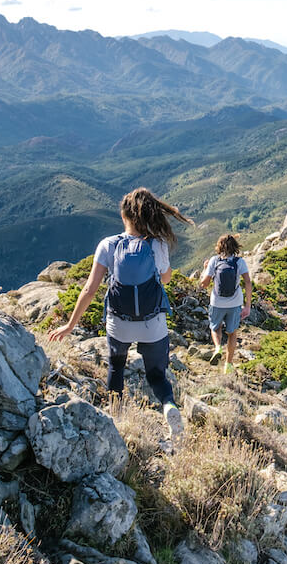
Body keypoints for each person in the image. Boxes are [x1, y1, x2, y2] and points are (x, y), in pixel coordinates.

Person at [48, 187, 192, 444]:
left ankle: (115, 418)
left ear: (125, 216)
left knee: (116, 367)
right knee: (157, 375)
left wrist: (70, 325)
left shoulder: (108, 244)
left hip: (119, 323)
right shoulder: (157, 243)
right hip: (152, 324)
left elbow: (90, 289)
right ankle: (169, 406)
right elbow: (166, 279)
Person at [198, 234, 252, 374]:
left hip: (217, 302)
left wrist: (205, 268)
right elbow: (247, 282)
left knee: (215, 328)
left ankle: (217, 348)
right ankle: (228, 365)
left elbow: (203, 284)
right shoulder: (240, 262)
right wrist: (247, 305)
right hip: (235, 303)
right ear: (235, 246)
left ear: (219, 246)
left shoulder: (214, 261)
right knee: (232, 333)